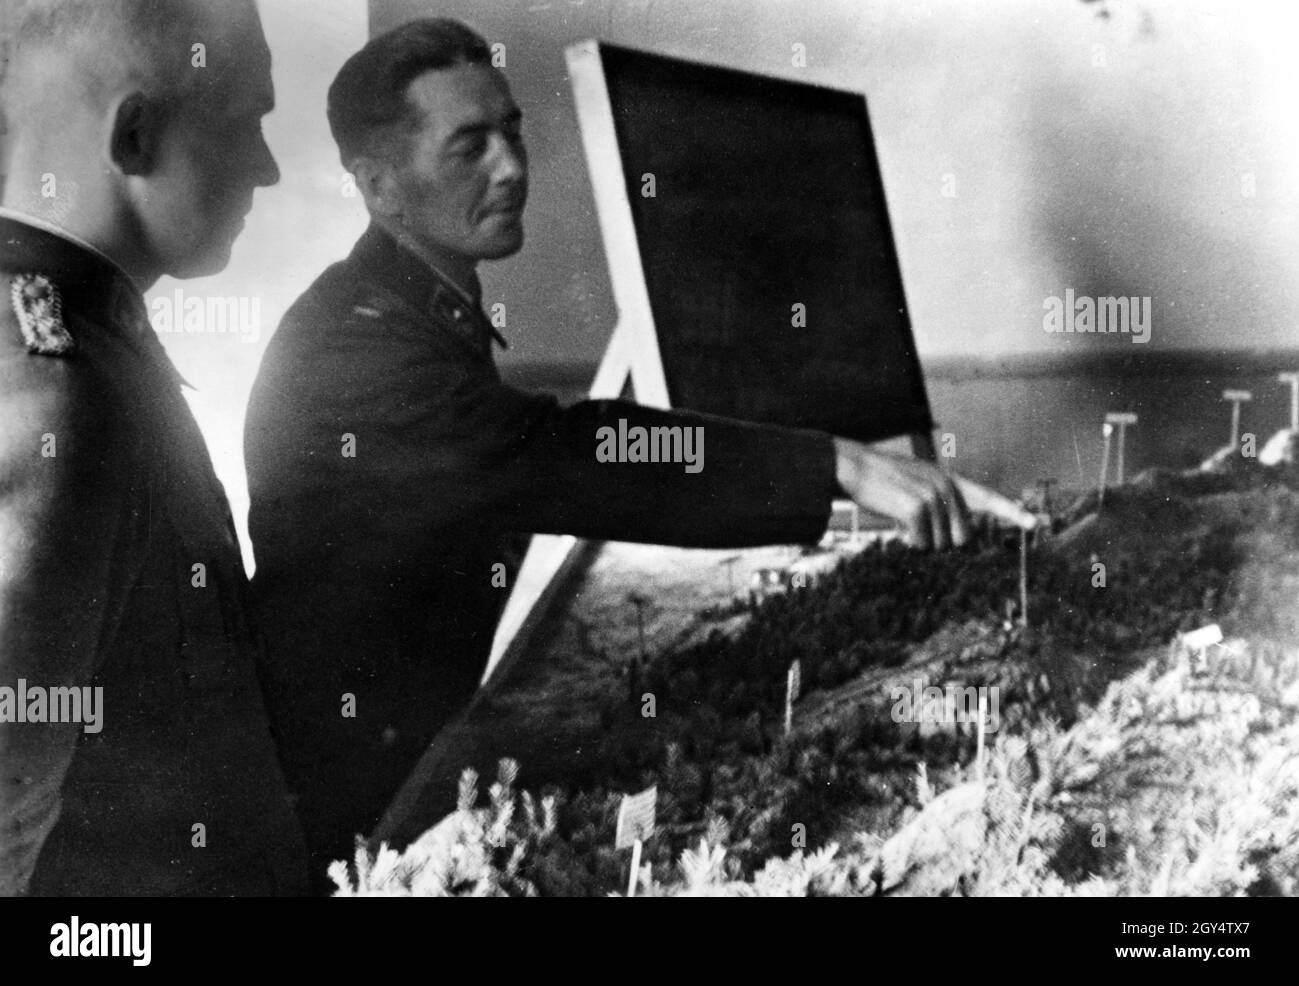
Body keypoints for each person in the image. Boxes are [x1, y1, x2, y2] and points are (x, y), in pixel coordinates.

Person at [244, 17, 1033, 887]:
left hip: (399, 755)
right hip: (318, 811)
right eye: (469, 146)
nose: (513, 167)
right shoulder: (353, 351)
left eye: (512, 131)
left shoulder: (411, 306)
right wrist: (836, 464)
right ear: (380, 187)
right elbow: (560, 455)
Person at [0, 0, 306, 896]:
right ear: (135, 135)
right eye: (247, 121)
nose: (270, 167)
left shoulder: (91, 340)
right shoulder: (56, 391)